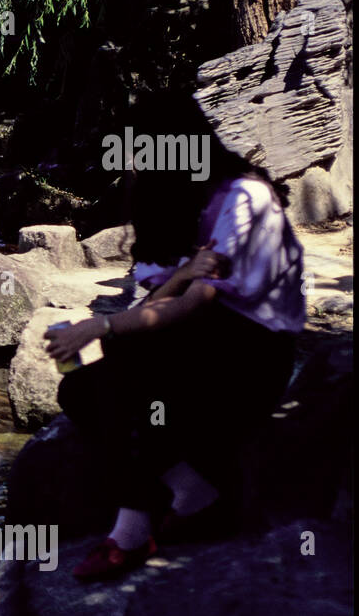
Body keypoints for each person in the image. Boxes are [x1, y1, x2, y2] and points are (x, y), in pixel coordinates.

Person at [45, 126, 305, 582]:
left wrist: (98, 325)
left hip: (253, 359)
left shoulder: (244, 199)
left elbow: (190, 307)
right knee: (79, 390)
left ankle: (130, 531)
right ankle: (193, 494)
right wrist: (182, 272)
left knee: (123, 356)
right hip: (205, 349)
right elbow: (153, 305)